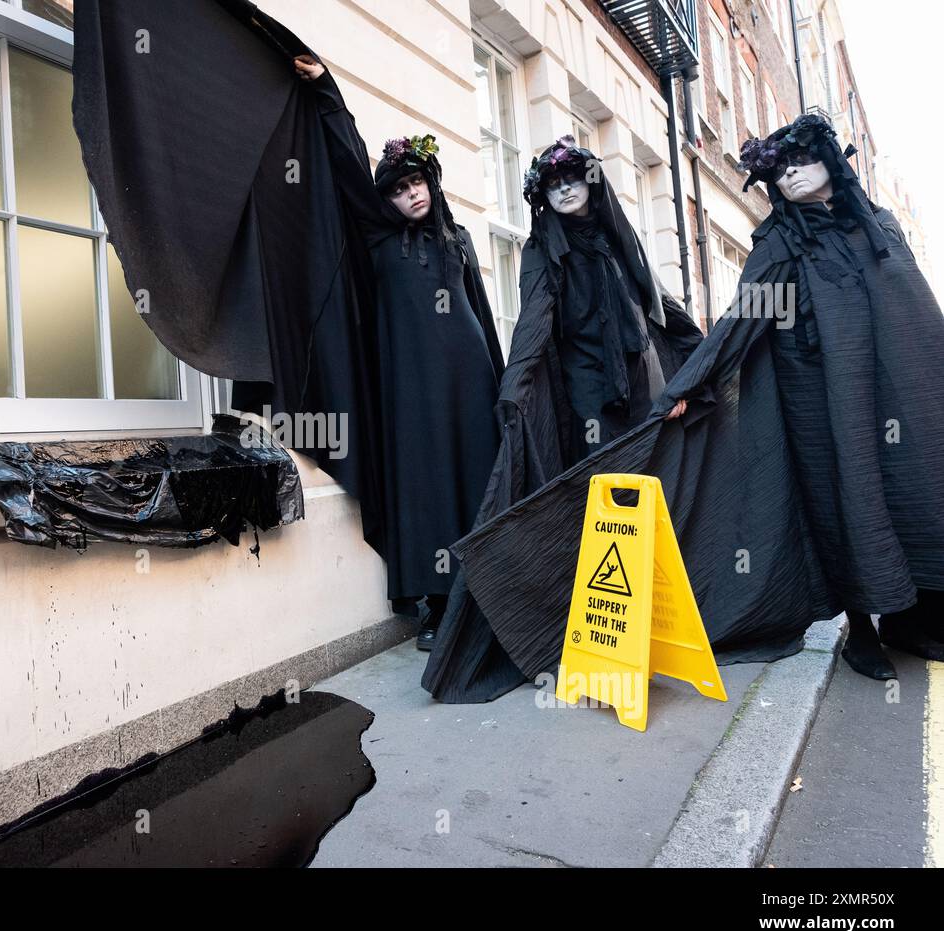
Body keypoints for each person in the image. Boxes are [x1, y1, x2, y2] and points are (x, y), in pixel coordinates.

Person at [450, 113, 944, 684]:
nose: (791, 177)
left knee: (918, 488)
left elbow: (918, 313)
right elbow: (742, 319)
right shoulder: (782, 242)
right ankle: (863, 630)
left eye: (799, 163)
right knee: (845, 499)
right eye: (778, 172)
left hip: (899, 395)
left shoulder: (880, 226)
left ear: (831, 160)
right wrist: (692, 383)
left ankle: (915, 619)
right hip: (823, 402)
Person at [420, 136, 705, 702]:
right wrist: (514, 388)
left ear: (591, 182)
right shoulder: (542, 249)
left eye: (573, 178)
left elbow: (656, 302)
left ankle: (649, 632)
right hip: (587, 402)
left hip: (640, 390)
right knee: (603, 511)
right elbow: (535, 317)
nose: (567, 188)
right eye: (554, 184)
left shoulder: (617, 236)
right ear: (544, 196)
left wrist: (697, 364)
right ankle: (600, 645)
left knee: (648, 503)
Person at [294, 55, 506, 649]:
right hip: (410, 387)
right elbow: (346, 162)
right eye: (401, 189)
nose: (412, 195)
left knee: (475, 481)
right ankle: (436, 607)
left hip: (471, 383)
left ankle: (485, 597)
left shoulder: (457, 240)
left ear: (432, 187)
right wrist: (327, 90)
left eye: (418, 185)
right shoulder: (379, 237)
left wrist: (505, 385)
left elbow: (484, 319)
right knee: (425, 485)